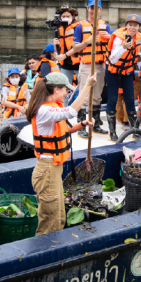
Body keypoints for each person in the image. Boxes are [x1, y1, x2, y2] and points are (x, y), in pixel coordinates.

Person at [27, 71, 98, 235]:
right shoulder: (44, 110)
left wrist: (82, 124)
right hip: (47, 170)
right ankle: (45, 255)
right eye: (66, 90)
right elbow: (71, 112)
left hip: (53, 170)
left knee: (59, 218)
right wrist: (87, 85)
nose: (67, 94)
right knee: (50, 221)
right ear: (56, 90)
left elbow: (65, 129)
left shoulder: (52, 109)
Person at [70, 0, 111, 136]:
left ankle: (96, 123)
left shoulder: (105, 25)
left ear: (100, 9)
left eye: (96, 8)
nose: (94, 10)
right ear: (88, 8)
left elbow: (113, 46)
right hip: (87, 65)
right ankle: (80, 127)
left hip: (100, 65)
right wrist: (87, 41)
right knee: (84, 96)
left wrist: (110, 37)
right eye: (91, 7)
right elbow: (75, 48)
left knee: (97, 97)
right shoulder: (80, 26)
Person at [105, 14, 141, 140]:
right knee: (113, 98)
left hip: (127, 71)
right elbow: (113, 59)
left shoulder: (139, 38)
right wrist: (123, 48)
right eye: (130, 25)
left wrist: (140, 69)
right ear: (126, 26)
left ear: (139, 27)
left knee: (130, 99)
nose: (133, 27)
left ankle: (135, 131)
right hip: (113, 71)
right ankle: (112, 133)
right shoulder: (118, 38)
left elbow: (139, 55)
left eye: (135, 25)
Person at [52, 6, 81, 85]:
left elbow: (79, 46)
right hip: (65, 64)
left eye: (68, 16)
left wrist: (65, 55)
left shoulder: (78, 28)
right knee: (64, 87)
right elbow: (57, 50)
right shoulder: (59, 29)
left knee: (82, 86)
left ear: (73, 16)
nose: (65, 18)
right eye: (63, 17)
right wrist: (55, 44)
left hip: (78, 63)